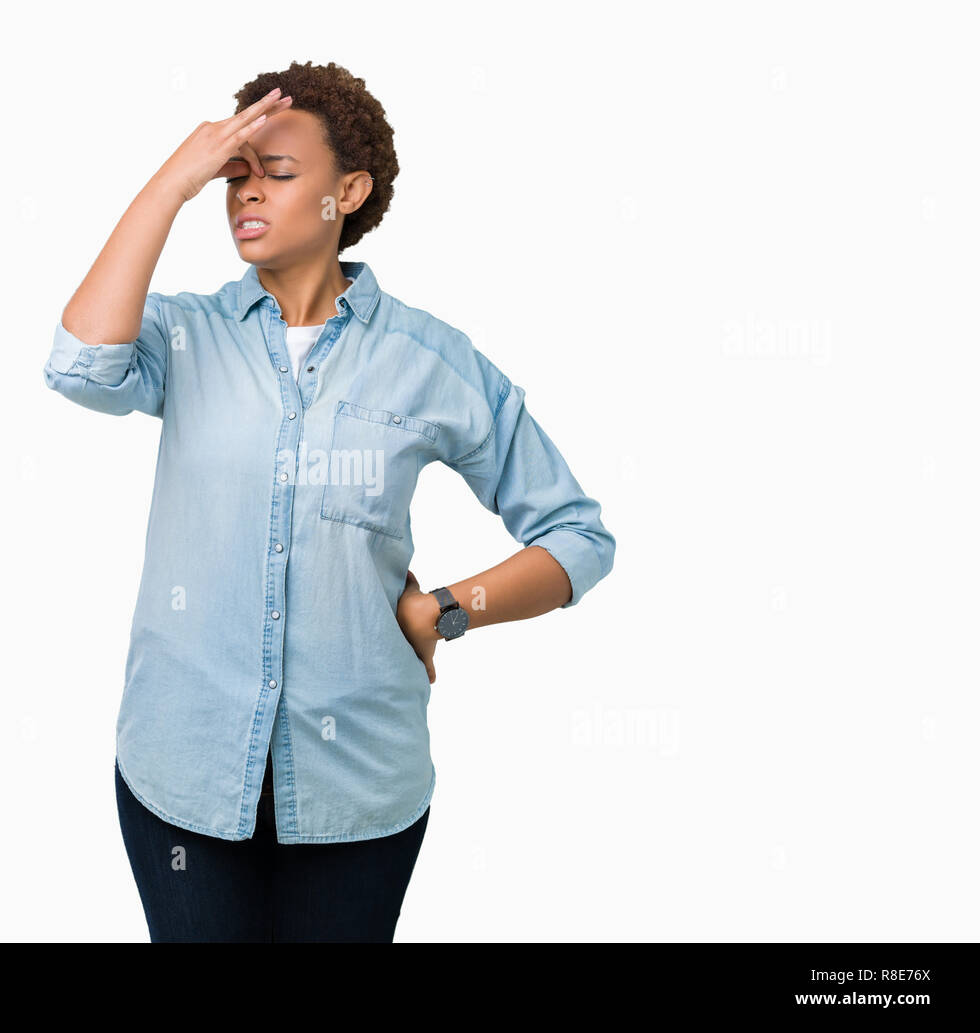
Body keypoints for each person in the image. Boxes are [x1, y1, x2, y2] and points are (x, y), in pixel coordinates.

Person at [42, 61, 616, 942]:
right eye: (232, 175)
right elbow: (79, 366)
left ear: (347, 192)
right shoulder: (186, 334)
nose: (245, 194)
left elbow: (576, 534)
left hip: (357, 795)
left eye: (276, 173)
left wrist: (446, 608)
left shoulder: (431, 359)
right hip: (182, 774)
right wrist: (171, 182)